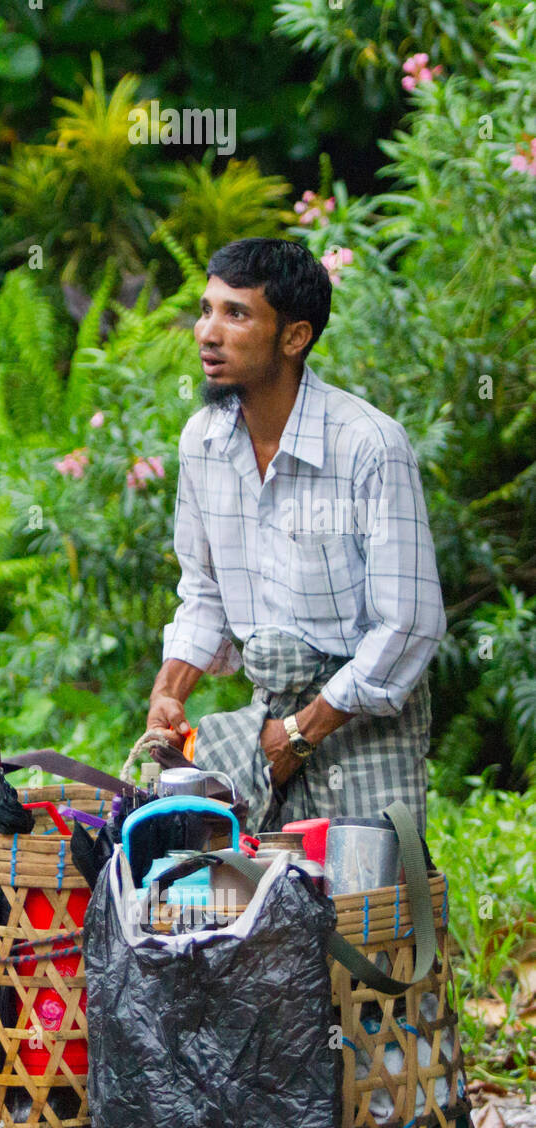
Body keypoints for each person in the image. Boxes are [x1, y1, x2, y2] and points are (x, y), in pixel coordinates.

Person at [146, 237, 446, 832]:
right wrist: (168, 690)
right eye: (206, 310)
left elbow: (410, 623)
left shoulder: (368, 445)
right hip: (269, 720)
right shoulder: (201, 441)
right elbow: (203, 596)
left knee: (365, 911)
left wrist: (297, 737)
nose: (208, 332)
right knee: (255, 911)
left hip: (365, 725)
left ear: (294, 336)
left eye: (237, 314)